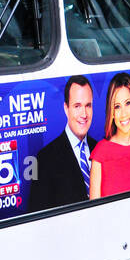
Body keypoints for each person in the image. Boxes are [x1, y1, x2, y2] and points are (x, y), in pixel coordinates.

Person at [26, 75, 96, 212]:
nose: (84, 114)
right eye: (77, 106)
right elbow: (37, 217)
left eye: (88, 106)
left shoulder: (100, 149)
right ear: (66, 108)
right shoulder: (44, 159)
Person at [89, 72, 130, 199]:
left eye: (128, 103)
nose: (123, 113)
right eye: (117, 106)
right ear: (111, 113)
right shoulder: (100, 152)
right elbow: (94, 209)